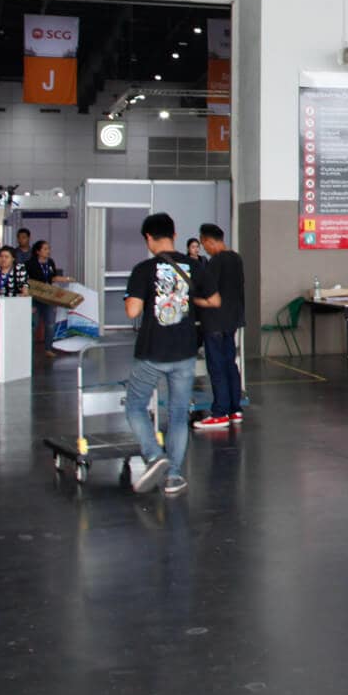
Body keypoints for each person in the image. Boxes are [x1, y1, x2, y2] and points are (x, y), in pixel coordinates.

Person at [123, 212, 218, 497]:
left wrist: (133, 297)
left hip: (153, 351)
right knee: (178, 415)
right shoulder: (195, 266)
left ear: (148, 239)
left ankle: (154, 455)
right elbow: (214, 300)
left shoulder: (143, 269)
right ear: (175, 236)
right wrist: (189, 299)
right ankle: (174, 477)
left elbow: (133, 311)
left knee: (135, 406)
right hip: (185, 352)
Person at [193, 223, 246, 430]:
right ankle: (235, 409)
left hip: (214, 322)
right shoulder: (236, 259)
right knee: (230, 364)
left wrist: (194, 300)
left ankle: (219, 412)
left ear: (208, 240)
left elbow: (210, 295)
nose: (204, 248)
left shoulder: (215, 263)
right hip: (232, 321)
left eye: (204, 243)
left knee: (217, 368)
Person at [26, 240, 73, 354]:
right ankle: (28, 349)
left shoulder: (50, 262)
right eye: (45, 249)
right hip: (35, 297)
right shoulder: (29, 263)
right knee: (33, 325)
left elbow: (53, 277)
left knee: (50, 324)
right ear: (38, 251)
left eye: (49, 249)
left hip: (49, 296)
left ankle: (48, 348)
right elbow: (26, 281)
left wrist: (66, 279)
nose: (48, 251)